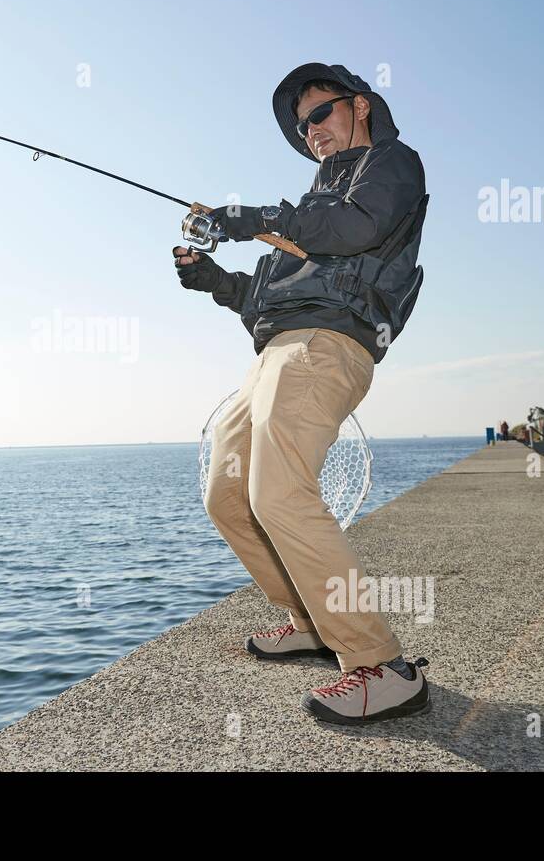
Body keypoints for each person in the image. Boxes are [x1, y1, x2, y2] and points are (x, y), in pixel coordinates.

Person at [173, 63, 430, 723]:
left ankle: (381, 665)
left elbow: (358, 229)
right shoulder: (307, 214)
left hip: (327, 346)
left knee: (279, 494)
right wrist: (211, 279)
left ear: (361, 107)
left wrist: (251, 218)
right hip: (273, 353)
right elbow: (259, 296)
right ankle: (309, 621)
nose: (309, 129)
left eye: (321, 114)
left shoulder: (391, 164)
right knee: (227, 496)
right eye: (301, 124)